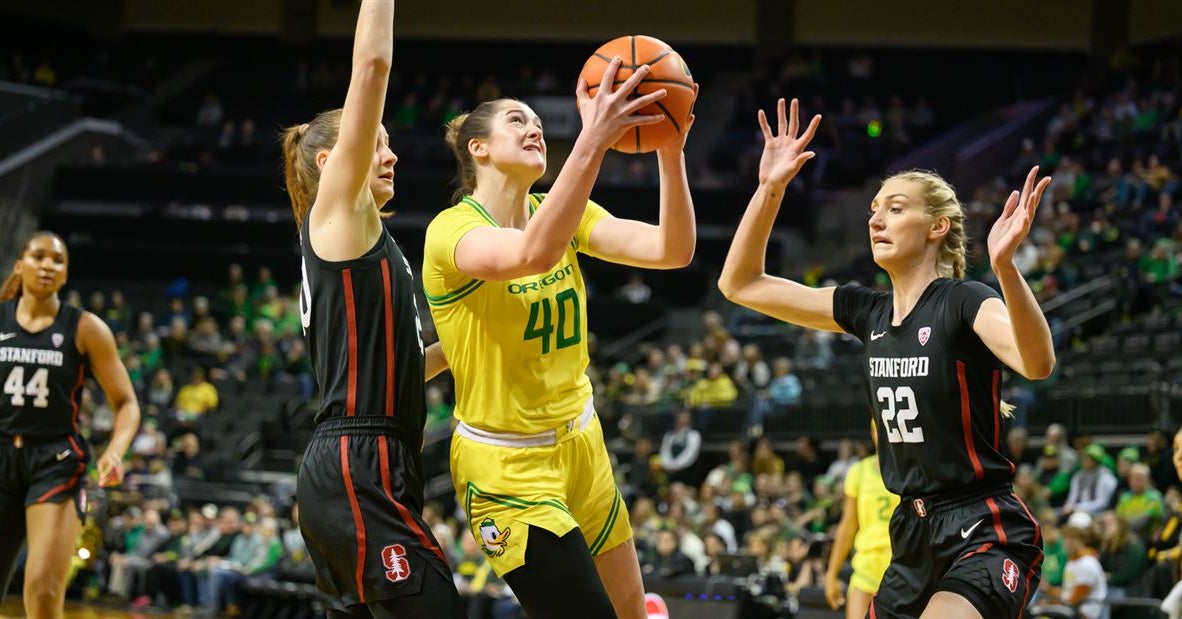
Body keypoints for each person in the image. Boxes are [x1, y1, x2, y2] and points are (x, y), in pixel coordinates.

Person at [718, 98, 1055, 618]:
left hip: (983, 527)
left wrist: (1006, 269)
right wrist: (770, 188)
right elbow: (739, 283)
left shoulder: (964, 301)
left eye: (895, 208)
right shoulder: (865, 310)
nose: (877, 218)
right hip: (912, 535)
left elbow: (1036, 363)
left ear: (937, 226)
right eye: (874, 209)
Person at [423, 58, 696, 617]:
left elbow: (674, 250)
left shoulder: (560, 210)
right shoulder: (452, 231)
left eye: (538, 124)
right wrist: (593, 140)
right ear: (477, 148)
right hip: (507, 467)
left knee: (631, 614)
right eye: (517, 121)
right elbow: (531, 254)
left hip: (583, 444)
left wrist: (670, 149)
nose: (535, 130)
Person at [280, 2, 461, 617]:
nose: (391, 156)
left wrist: (478, 343)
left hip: (373, 460)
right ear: (333, 164)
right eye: (376, 143)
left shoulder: (366, 245)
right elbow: (373, 67)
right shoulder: (338, 216)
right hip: (359, 463)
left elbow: (406, 365)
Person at [0, 230, 141, 618]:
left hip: (56, 461)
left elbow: (126, 402)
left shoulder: (85, 328)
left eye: (57, 260)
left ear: (65, 274)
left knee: (43, 589)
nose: (48, 265)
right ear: (20, 265)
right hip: (1, 456)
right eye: (39, 256)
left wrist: (114, 451)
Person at [825, 429, 899, 619]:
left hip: (903, 566)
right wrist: (831, 574)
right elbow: (847, 527)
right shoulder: (859, 472)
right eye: (876, 428)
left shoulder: (912, 470)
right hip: (867, 566)